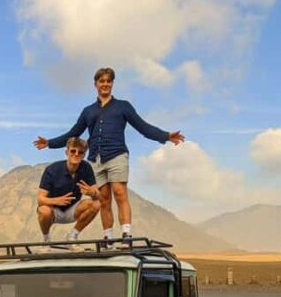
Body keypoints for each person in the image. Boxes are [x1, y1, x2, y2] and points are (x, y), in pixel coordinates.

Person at [34, 67, 185, 241]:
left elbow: (142, 126)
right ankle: (108, 238)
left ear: (112, 84)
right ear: (95, 84)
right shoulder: (88, 111)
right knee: (104, 199)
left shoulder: (123, 106)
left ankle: (126, 233)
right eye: (101, 81)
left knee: (120, 193)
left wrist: (165, 136)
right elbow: (74, 133)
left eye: (108, 81)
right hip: (95, 159)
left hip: (117, 155)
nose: (105, 84)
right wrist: (50, 143)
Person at [37, 137, 100, 245]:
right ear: (66, 152)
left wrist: (92, 192)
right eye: (73, 151)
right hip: (53, 211)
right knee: (43, 210)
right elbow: (40, 199)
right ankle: (46, 239)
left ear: (84, 155)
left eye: (80, 152)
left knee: (96, 204)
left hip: (72, 210)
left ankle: (72, 236)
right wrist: (56, 201)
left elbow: (97, 194)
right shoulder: (52, 170)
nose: (76, 154)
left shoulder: (86, 167)